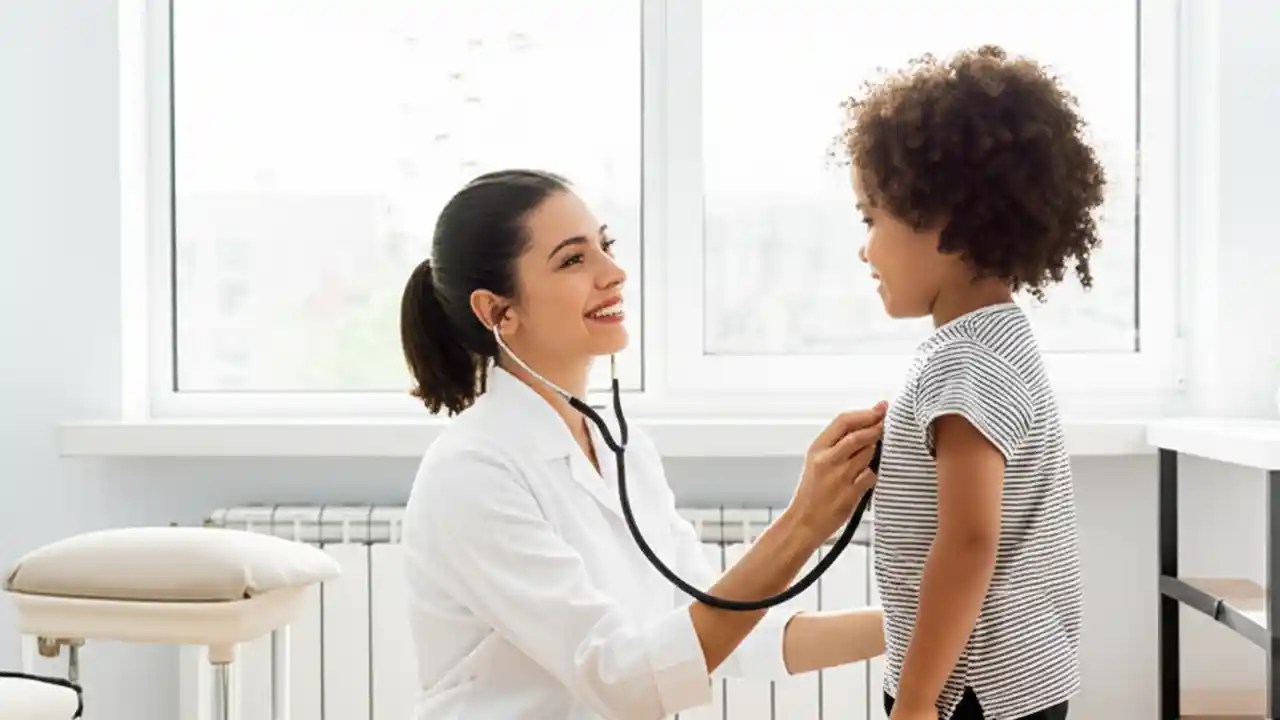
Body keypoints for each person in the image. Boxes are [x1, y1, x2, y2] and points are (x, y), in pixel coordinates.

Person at [398, 169, 887, 719]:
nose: (615, 272)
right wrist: (804, 523)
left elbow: (724, 629)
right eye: (573, 259)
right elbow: (625, 681)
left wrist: (919, 624)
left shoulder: (621, 449)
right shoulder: (473, 471)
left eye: (605, 245)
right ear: (498, 312)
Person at [836, 46, 1096, 720]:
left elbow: (970, 541)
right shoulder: (996, 343)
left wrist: (916, 701)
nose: (864, 248)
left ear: (943, 220)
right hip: (1019, 676)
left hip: (971, 688)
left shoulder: (965, 362)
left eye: (870, 219)